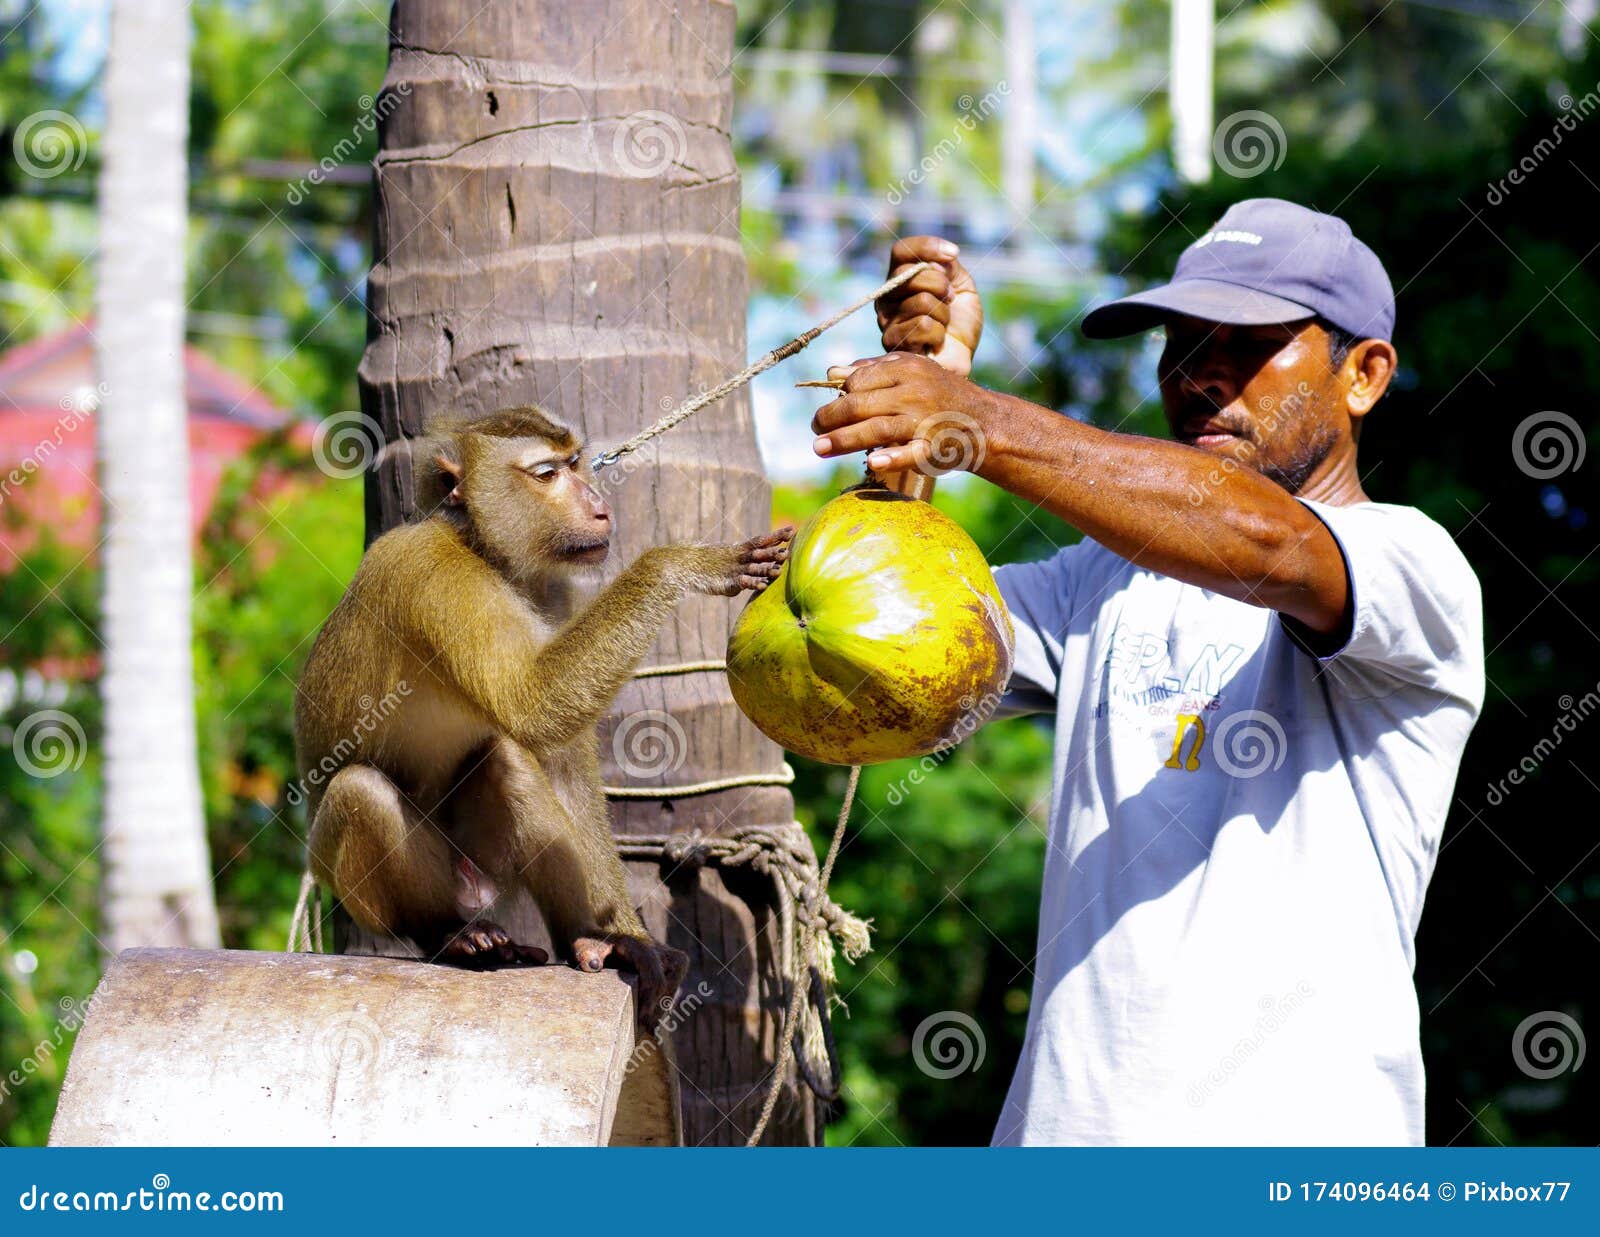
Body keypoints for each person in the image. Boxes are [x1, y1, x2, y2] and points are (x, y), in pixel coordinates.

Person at [811, 198, 1484, 1146]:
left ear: (1364, 374)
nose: (1201, 374)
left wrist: (977, 421)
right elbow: (882, 645)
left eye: (1247, 344)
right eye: (1181, 344)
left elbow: (1265, 541)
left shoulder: (1410, 564)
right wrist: (913, 434)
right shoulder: (1101, 577)